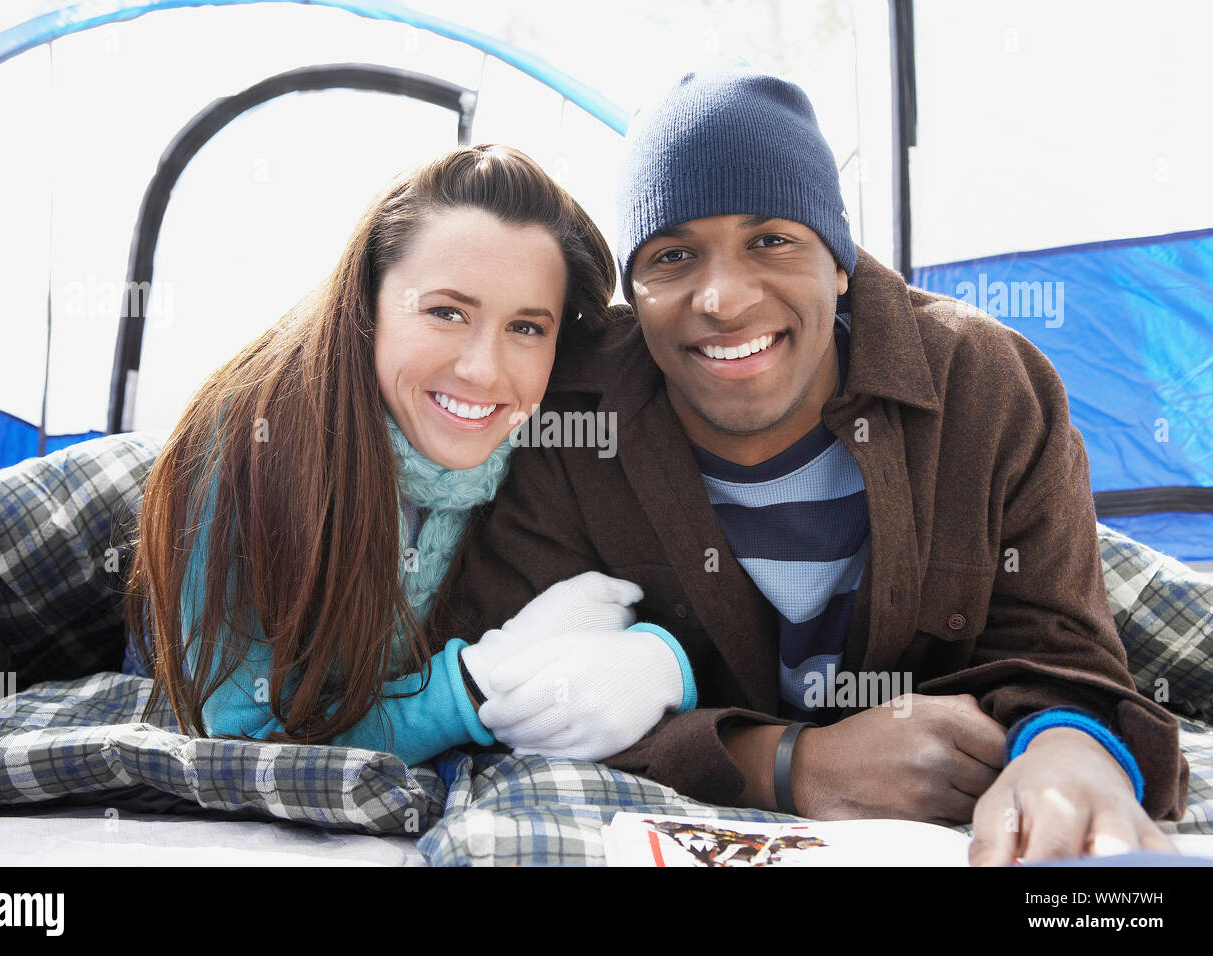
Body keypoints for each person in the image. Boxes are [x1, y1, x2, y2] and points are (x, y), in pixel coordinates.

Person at [428, 73, 1188, 864]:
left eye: (772, 241)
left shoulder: (987, 384)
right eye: (673, 255)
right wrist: (787, 764)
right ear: (636, 292)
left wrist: (1066, 751)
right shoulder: (570, 420)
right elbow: (505, 694)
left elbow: (1061, 647)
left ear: (839, 262)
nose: (721, 298)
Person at [122, 145, 696, 767]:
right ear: (366, 300)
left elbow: (683, 615)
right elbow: (244, 744)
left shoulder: (553, 437)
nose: (482, 369)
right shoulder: (248, 454)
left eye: (527, 328)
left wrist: (661, 664)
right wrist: (475, 684)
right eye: (445, 312)